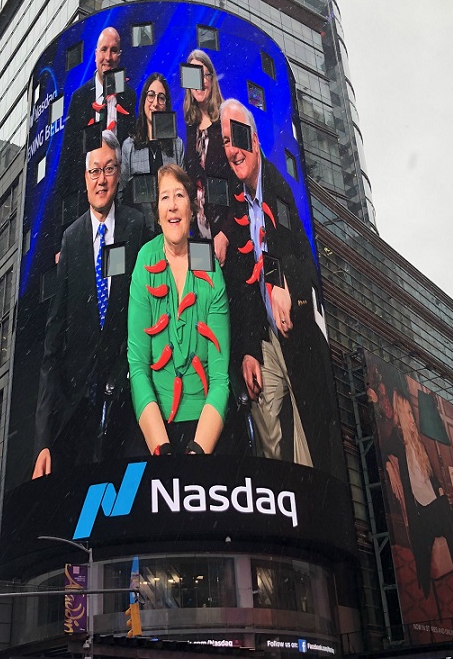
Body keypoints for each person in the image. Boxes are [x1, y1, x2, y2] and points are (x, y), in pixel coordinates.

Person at [32, 130, 146, 476]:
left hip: (127, 403)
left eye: (109, 169)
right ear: (85, 177)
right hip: (77, 413)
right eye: (95, 171)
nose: (101, 179)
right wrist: (43, 441)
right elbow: (53, 344)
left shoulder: (137, 227)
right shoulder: (71, 239)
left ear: (119, 174)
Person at [220, 98, 326, 468]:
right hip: (264, 335)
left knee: (308, 446)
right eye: (225, 141)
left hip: (297, 335)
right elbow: (243, 286)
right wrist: (249, 350)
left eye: (238, 137)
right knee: (267, 436)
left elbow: (301, 258)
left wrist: (280, 280)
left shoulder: (278, 186)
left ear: (254, 138)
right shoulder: (237, 203)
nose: (233, 149)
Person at [127, 164, 230, 455]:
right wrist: (163, 450)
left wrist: (197, 450)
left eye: (180, 196)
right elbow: (138, 366)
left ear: (191, 209)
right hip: (154, 426)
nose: (172, 205)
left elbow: (220, 378)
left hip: (206, 425)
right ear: (158, 214)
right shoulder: (145, 260)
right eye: (164, 197)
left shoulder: (208, 263)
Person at [384, 387, 453, 622]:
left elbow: (430, 475)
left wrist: (440, 490)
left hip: (436, 504)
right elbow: (384, 452)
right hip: (421, 511)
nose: (412, 418)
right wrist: (389, 467)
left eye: (412, 413)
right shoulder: (397, 440)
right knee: (435, 541)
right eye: (407, 413)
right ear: (400, 414)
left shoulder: (417, 441)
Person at [56, 26, 138, 235]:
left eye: (113, 50)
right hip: (87, 205)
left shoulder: (129, 97)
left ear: (120, 56)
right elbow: (67, 162)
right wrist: (61, 233)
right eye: (104, 50)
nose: (108, 57)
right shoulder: (80, 98)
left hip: (121, 202)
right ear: (95, 55)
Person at [182, 49, 233, 264]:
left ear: (212, 79)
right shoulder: (190, 127)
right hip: (199, 235)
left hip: (226, 234)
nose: (200, 82)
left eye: (204, 75)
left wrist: (226, 233)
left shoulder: (226, 120)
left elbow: (240, 184)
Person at [120, 72, 184, 233]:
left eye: (161, 98)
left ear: (166, 105)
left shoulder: (177, 145)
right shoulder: (129, 146)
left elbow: (184, 192)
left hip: (171, 230)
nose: (155, 103)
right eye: (151, 95)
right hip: (139, 233)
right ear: (143, 100)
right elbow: (120, 193)